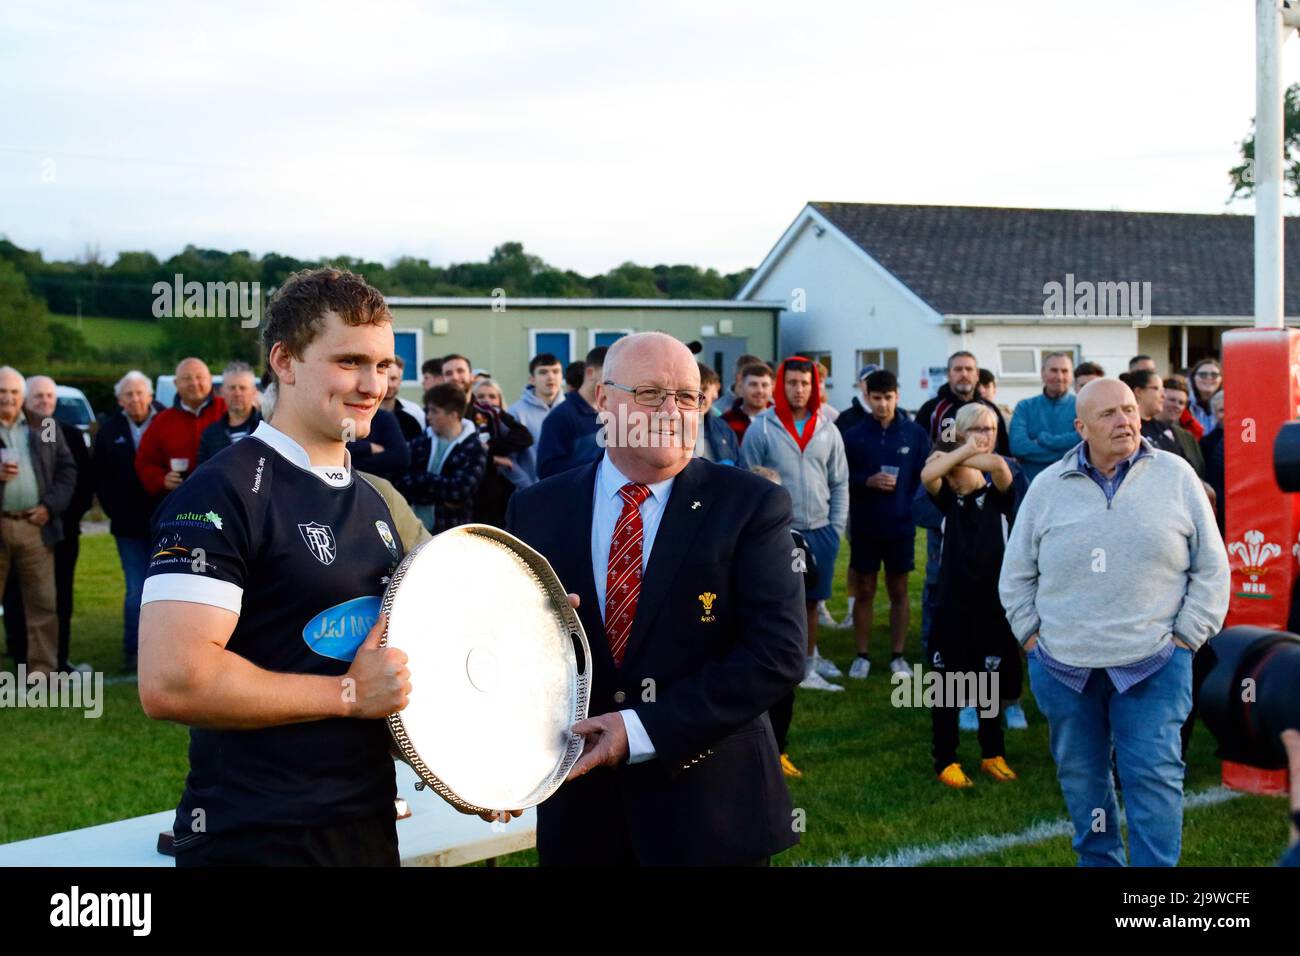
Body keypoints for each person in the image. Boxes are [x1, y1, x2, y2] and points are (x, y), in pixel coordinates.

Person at [137, 267, 441, 867]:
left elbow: (412, 657)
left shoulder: (379, 499)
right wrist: (348, 695)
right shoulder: (221, 493)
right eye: (349, 360)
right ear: (285, 360)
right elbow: (172, 680)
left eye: (384, 366)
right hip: (257, 837)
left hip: (366, 827)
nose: (372, 385)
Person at [504, 331, 806, 865]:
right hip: (581, 814)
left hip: (710, 813)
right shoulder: (536, 509)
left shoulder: (752, 505)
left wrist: (640, 731)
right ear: (603, 400)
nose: (672, 411)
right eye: (650, 394)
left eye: (687, 397)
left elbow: (776, 655)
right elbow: (511, 650)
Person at [999, 378, 1230, 866]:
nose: (1124, 420)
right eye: (1108, 414)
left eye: (1129, 409)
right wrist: (1031, 637)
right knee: (1083, 783)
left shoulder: (1177, 476)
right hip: (1064, 667)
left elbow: (1212, 567)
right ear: (1081, 427)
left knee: (1153, 779)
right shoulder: (1046, 487)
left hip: (1155, 663)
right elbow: (1015, 573)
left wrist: (1187, 637)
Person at [921, 403, 1020, 788]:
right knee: (948, 683)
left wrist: (967, 452)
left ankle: (992, 754)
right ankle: (945, 758)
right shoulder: (949, 498)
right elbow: (929, 473)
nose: (987, 432)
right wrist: (959, 453)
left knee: (989, 684)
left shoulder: (999, 490)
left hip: (993, 606)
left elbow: (998, 468)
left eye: (992, 427)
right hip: (951, 607)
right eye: (978, 427)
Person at [739, 356, 848, 691]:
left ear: (814, 386)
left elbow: (839, 481)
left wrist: (835, 528)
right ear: (781, 386)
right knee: (785, 601)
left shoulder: (827, 429)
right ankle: (788, 663)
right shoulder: (763, 427)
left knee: (813, 600)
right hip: (780, 532)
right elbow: (749, 478)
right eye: (792, 383)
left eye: (805, 383)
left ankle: (810, 661)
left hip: (820, 530)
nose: (798, 389)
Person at [2, 375, 94, 673]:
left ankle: (42, 673)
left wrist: (49, 507)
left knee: (43, 603)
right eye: (2, 391)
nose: (8, 398)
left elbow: (67, 469)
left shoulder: (45, 425)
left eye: (14, 391)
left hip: (35, 527)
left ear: (22, 395)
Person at [841, 369, 928, 679]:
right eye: (876, 398)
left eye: (888, 398)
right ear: (867, 398)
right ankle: (861, 655)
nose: (882, 404)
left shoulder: (915, 434)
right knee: (864, 590)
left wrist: (913, 506)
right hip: (865, 525)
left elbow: (925, 476)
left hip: (900, 525)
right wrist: (867, 480)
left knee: (899, 590)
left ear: (897, 396)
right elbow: (841, 479)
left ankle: (898, 656)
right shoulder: (853, 435)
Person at [92, 370, 164, 672]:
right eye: (128, 395)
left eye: (139, 393)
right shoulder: (109, 431)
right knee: (136, 589)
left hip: (167, 524)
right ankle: (133, 652)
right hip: (128, 528)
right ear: (119, 400)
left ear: (150, 395)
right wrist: (116, 513)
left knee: (164, 589)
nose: (135, 399)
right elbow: (100, 478)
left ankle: (165, 650)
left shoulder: (166, 421)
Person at [749, 464, 808, 779]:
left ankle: (780, 751)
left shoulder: (794, 538)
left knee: (783, 695)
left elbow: (811, 577)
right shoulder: (734, 537)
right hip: (746, 639)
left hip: (782, 638)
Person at [394, 384, 487, 534]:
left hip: (453, 533)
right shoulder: (421, 442)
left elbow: (460, 491)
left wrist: (421, 482)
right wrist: (442, 492)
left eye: (434, 411)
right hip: (413, 531)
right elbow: (400, 481)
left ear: (454, 415)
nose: (428, 416)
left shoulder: (473, 448)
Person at [134, 357, 228, 500]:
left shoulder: (227, 410)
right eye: (186, 378)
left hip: (224, 499)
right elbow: (144, 461)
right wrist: (162, 479)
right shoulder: (162, 421)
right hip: (180, 502)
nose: (194, 383)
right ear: (176, 383)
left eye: (199, 377)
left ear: (209, 379)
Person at [468, 377, 533, 525]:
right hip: (477, 492)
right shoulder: (469, 420)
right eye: (481, 396)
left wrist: (491, 449)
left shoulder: (503, 418)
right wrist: (493, 457)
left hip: (504, 488)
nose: (487, 400)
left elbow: (525, 438)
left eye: (492, 396)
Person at [536, 346, 607, 479]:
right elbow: (546, 470)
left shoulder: (611, 412)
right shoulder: (560, 416)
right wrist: (601, 466)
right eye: (610, 372)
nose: (618, 379)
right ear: (591, 373)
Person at [1009, 351, 1077, 483]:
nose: (1059, 376)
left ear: (1071, 376)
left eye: (1064, 371)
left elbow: (1085, 443)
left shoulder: (1082, 406)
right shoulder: (1025, 406)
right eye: (1053, 370)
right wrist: (1067, 454)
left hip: (1072, 483)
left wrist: (1043, 439)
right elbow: (1018, 447)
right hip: (1031, 484)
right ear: (1042, 373)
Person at [507, 352, 564, 484]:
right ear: (532, 379)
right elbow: (508, 461)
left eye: (556, 371)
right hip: (531, 492)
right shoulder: (515, 412)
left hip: (568, 491)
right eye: (543, 372)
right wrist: (527, 487)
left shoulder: (571, 410)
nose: (551, 377)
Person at [197, 362, 263, 465]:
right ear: (222, 391)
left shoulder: (267, 428)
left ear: (254, 391)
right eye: (232, 388)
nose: (237, 393)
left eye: (242, 388)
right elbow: (203, 475)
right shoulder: (210, 435)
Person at [692, 364, 739, 465]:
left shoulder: (723, 429)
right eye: (702, 389)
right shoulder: (666, 430)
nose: (713, 397)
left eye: (705, 391)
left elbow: (737, 468)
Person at [721, 361, 773, 443]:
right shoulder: (725, 422)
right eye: (753, 384)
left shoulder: (781, 421)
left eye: (764, 385)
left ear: (772, 389)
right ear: (741, 387)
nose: (760, 390)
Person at [382, 356, 425, 442]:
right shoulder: (359, 411)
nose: (389, 385)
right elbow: (348, 444)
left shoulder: (415, 412)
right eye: (384, 379)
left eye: (393, 379)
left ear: (400, 380)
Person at [1200, 391, 1226, 535]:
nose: (1226, 414)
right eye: (1221, 410)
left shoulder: (1249, 437)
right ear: (1214, 413)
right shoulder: (1206, 443)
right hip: (1218, 508)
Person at [1188, 358, 1222, 436]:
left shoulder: (1230, 406)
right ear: (1193, 378)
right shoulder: (1183, 405)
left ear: (1221, 379)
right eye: (1203, 374)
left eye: (1214, 375)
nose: (1209, 378)